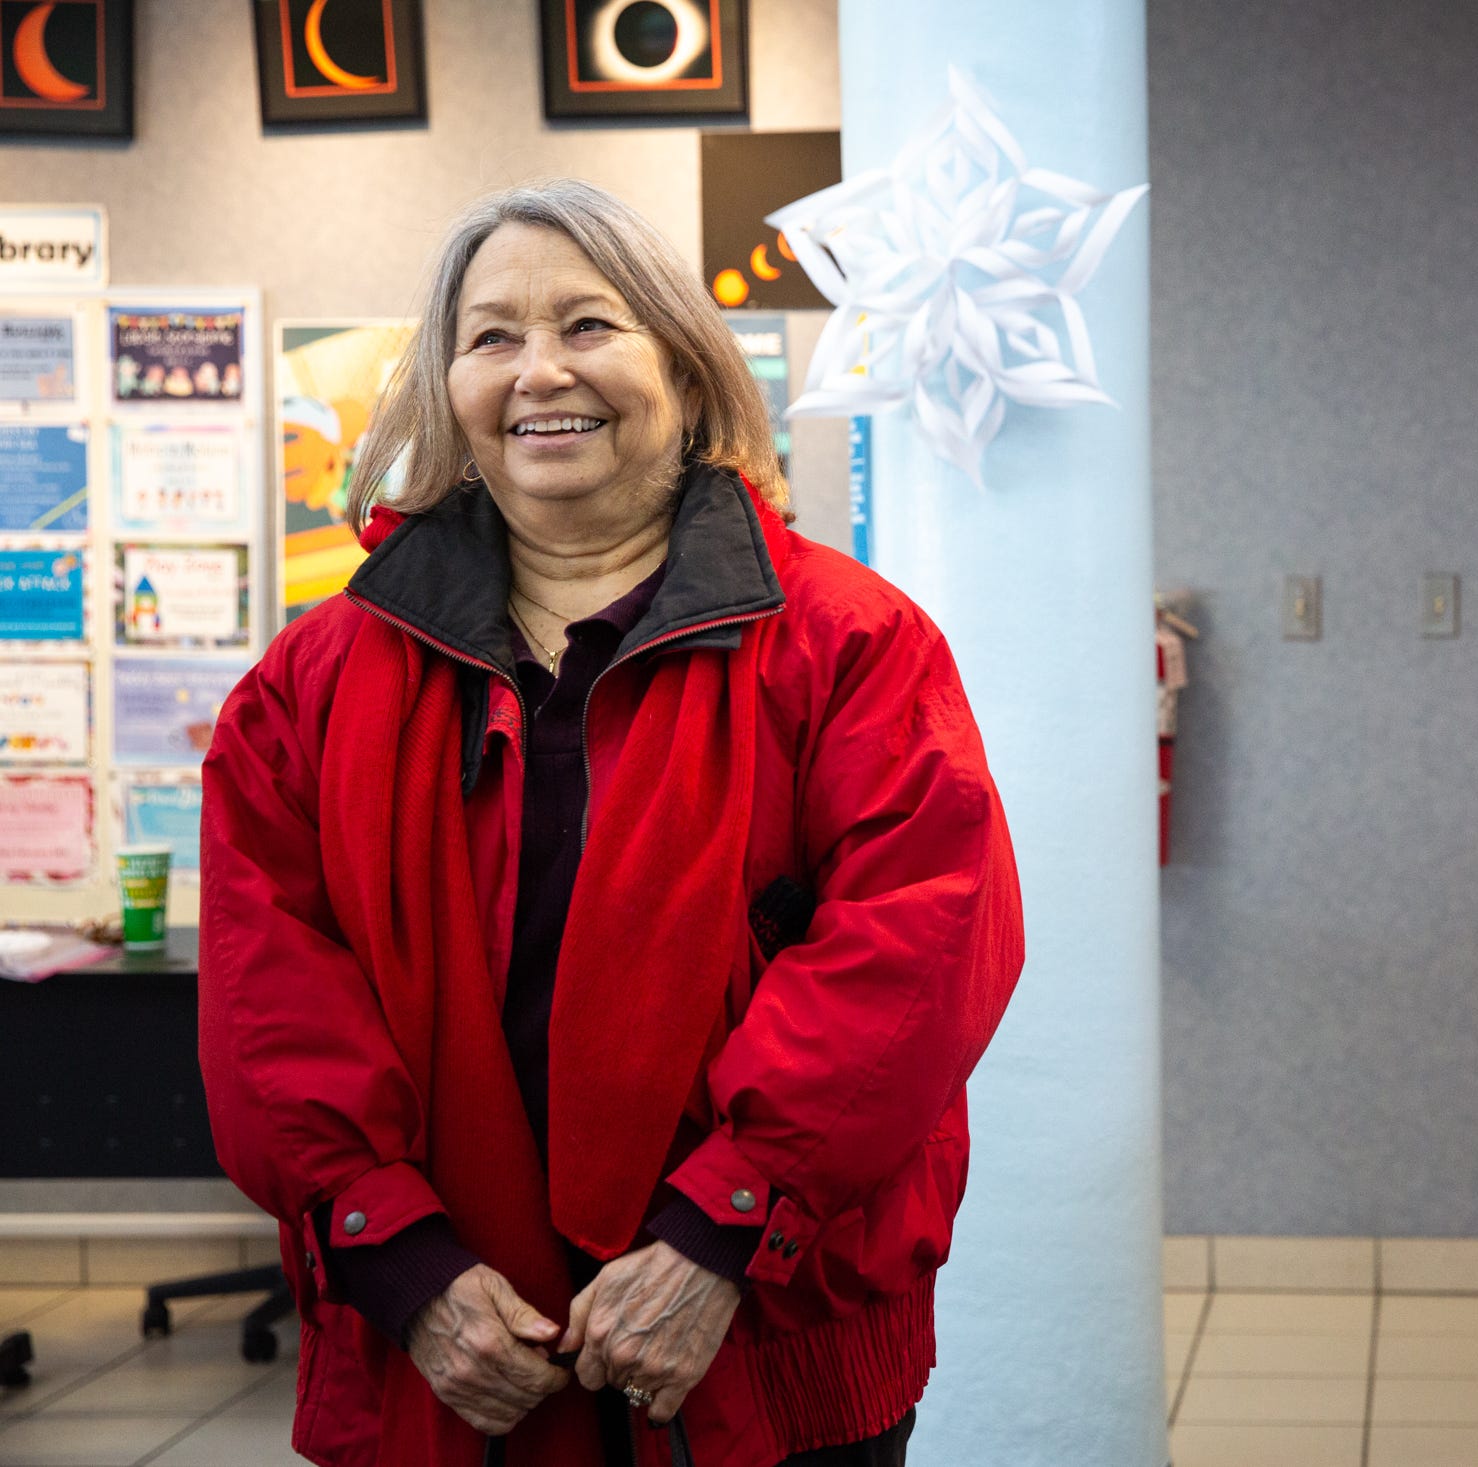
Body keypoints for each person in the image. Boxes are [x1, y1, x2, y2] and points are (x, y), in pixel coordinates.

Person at [199, 179, 1025, 1467]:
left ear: (686, 377)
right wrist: (395, 1254)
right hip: (452, 1353)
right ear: (447, 390)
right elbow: (269, 992)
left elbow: (917, 951)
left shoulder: (849, 645)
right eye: (492, 337)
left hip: (760, 1331)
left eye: (590, 325)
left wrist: (721, 1234)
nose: (540, 372)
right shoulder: (312, 683)